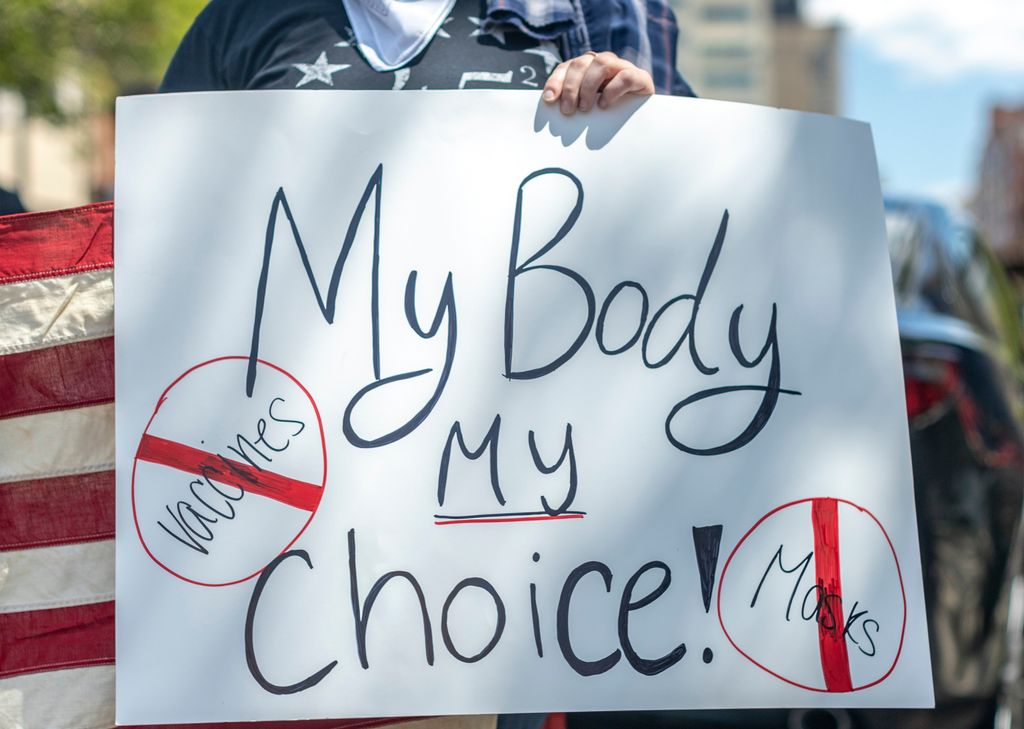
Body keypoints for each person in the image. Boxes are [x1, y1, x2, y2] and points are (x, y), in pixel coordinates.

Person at [159, 3, 693, 728]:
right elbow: (162, 239)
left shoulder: (585, 17)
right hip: (270, 528)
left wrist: (636, 127)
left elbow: (691, 244)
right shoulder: (245, 18)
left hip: (492, 553)